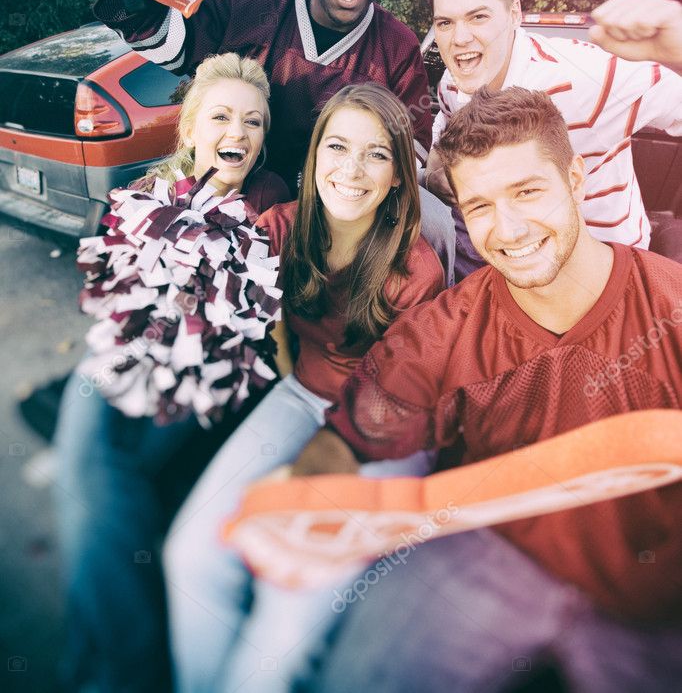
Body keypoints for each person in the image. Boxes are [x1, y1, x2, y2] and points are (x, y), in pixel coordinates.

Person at [291, 86, 682, 693]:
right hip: (498, 549)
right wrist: (308, 495)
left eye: (527, 191)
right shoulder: (449, 328)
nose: (510, 228)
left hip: (656, 592)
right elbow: (353, 430)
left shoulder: (670, 308)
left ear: (575, 179)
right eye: (480, 205)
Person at [162, 83, 445, 693]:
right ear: (314, 155)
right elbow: (215, 287)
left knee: (287, 608)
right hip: (303, 396)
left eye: (376, 154)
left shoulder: (416, 269)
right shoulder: (281, 228)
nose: (351, 169)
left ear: (400, 175)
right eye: (337, 147)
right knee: (192, 555)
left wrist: (306, 477)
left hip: (389, 428)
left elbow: (402, 397)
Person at [54, 53, 290, 693]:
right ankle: (108, 668)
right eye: (221, 117)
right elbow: (112, 295)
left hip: (206, 372)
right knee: (86, 451)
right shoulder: (152, 190)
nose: (237, 133)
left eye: (253, 122)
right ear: (189, 128)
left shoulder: (269, 204)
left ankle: (121, 674)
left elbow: (258, 319)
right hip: (124, 356)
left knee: (99, 474)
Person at [95, 0, 433, 193]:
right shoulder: (244, 5)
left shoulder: (398, 47)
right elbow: (150, 31)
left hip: (336, 218)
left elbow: (408, 156)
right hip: (231, 208)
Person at [423, 0, 682, 264]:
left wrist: (676, 46)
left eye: (478, 17)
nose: (460, 38)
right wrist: (435, 175)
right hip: (509, 256)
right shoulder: (452, 83)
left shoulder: (585, 75)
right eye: (445, 23)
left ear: (514, 14)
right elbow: (445, 126)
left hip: (605, 262)